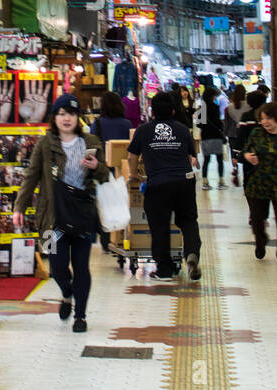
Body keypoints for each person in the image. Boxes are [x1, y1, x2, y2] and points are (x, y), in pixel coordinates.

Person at [12, 94, 104, 332]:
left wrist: (98, 167)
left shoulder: (91, 141)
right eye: (61, 114)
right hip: (50, 219)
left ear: (78, 117)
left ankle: (80, 316)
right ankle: (67, 294)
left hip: (83, 215)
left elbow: (104, 177)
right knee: (57, 268)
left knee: (82, 266)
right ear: (55, 117)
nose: (66, 118)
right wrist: (19, 207)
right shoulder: (45, 144)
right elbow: (31, 176)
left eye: (71, 114)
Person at [127, 91, 202, 282]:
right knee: (188, 221)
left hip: (158, 184)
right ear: (173, 111)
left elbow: (131, 156)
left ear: (152, 111)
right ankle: (192, 254)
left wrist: (134, 174)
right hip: (184, 181)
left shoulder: (143, 130)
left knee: (160, 226)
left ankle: (165, 270)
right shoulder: (183, 129)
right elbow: (191, 157)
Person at [241, 102, 277, 263]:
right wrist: (247, 156)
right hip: (258, 183)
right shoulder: (257, 133)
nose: (265, 122)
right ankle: (261, 241)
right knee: (257, 220)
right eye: (263, 119)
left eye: (269, 119)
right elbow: (246, 149)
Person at [91, 90, 133, 252]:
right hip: (121, 170)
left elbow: (92, 147)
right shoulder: (126, 124)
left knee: (103, 203)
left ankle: (105, 239)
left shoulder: (98, 124)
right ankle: (119, 237)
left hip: (101, 170)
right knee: (119, 202)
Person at [197, 86, 225, 187]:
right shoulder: (215, 107)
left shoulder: (202, 108)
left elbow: (198, 124)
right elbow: (218, 123)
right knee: (219, 159)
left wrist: (205, 127)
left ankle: (205, 182)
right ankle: (221, 181)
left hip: (205, 136)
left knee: (206, 160)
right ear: (212, 96)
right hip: (216, 136)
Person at [224, 84, 252, 187]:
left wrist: (224, 134)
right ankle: (246, 178)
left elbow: (226, 124)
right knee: (245, 154)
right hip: (245, 135)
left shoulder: (229, 108)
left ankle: (235, 169)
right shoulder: (249, 106)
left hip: (232, 134)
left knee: (234, 153)